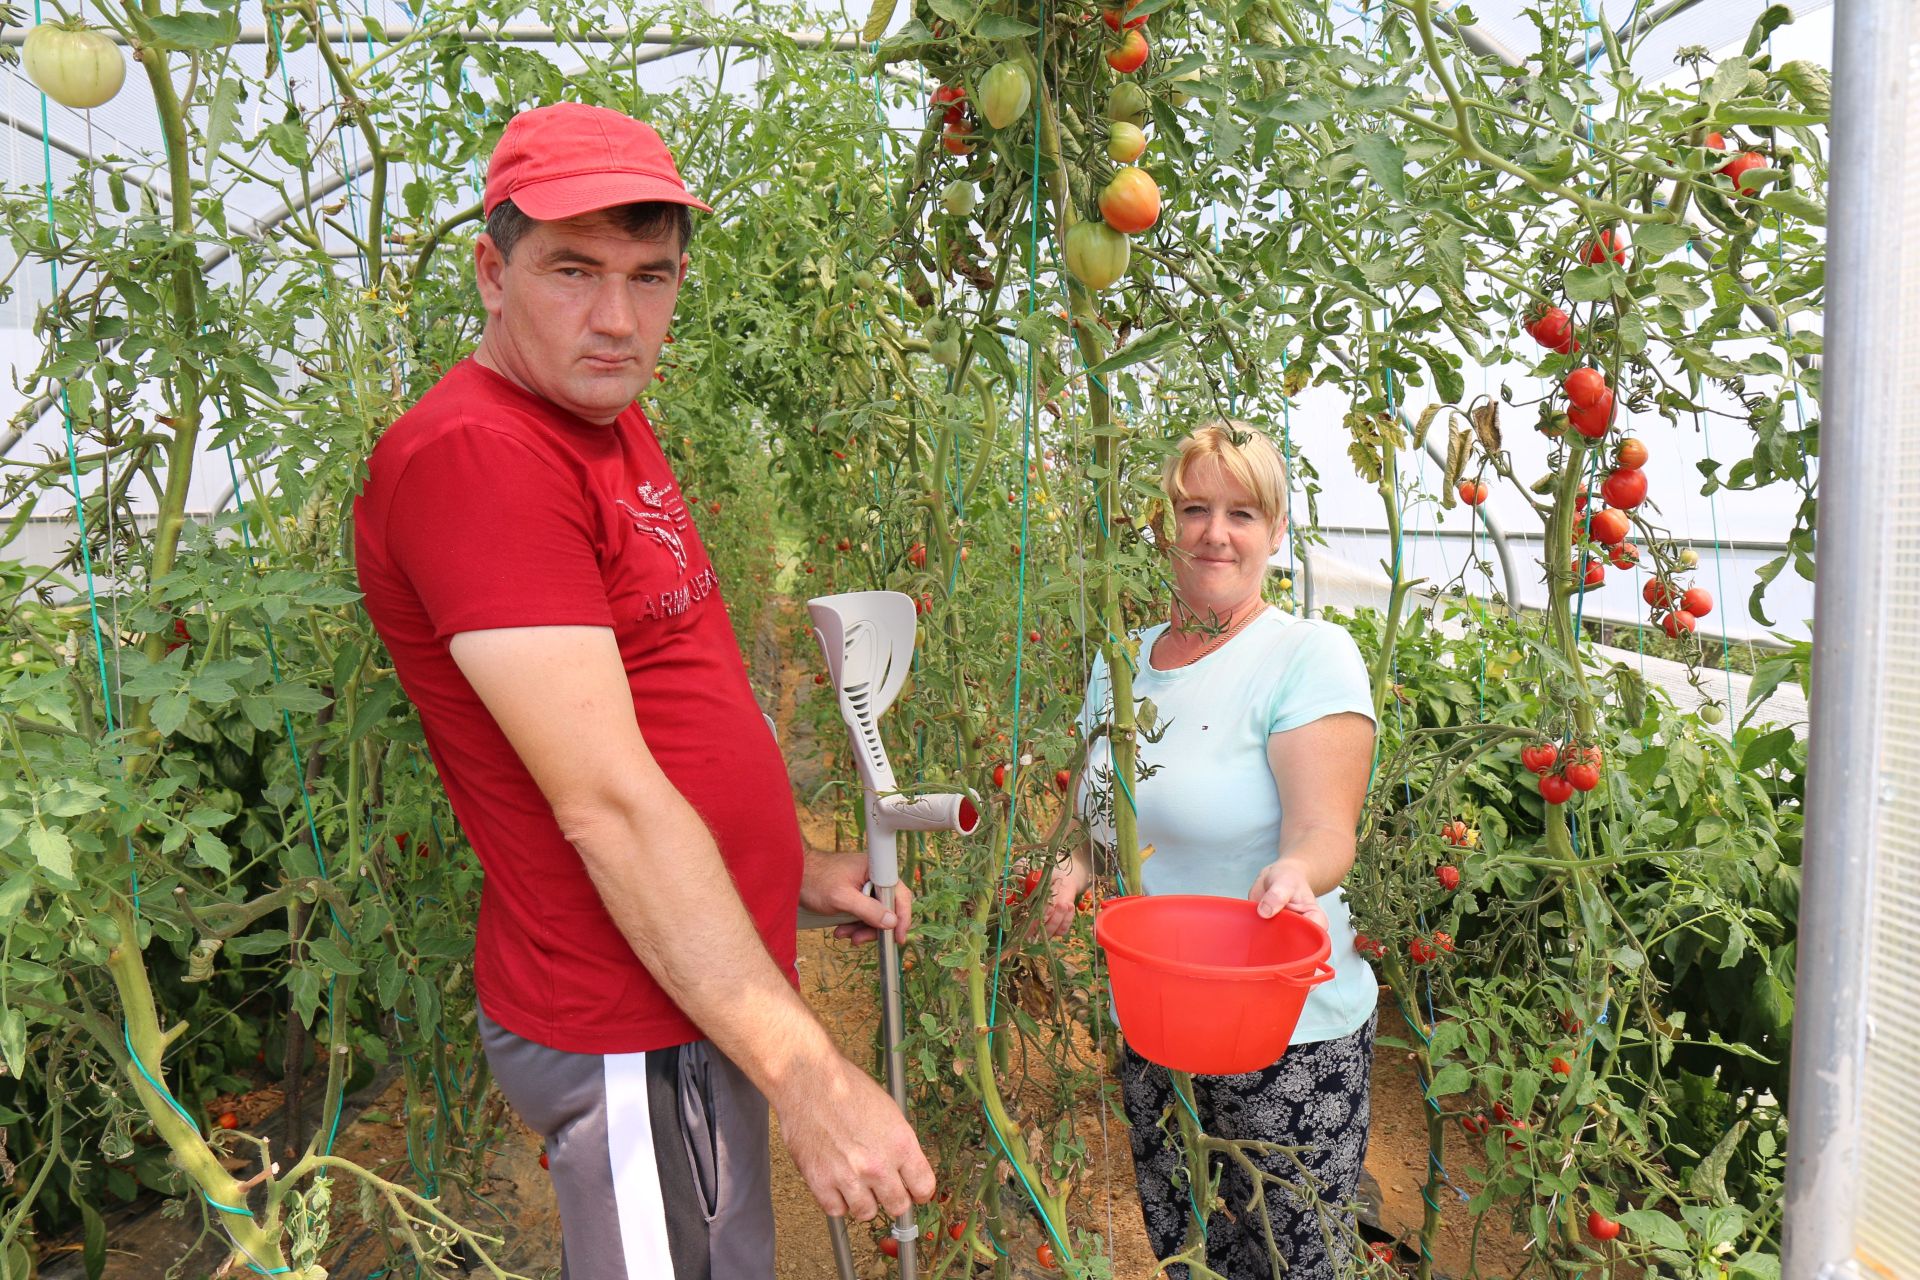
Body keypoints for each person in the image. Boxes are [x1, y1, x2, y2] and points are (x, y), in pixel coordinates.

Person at [352, 102, 934, 1279]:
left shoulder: (596, 418)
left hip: (685, 995)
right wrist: (811, 1070)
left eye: (651, 276)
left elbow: (661, 698)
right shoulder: (480, 455)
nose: (618, 318)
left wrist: (790, 872)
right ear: (491, 270)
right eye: (573, 270)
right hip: (628, 1016)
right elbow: (609, 801)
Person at [1045, 423, 1380, 1280]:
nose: (1215, 533)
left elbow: (1324, 829)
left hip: (1284, 1033)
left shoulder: (1306, 656)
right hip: (1156, 1023)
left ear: (1275, 532)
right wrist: (1072, 867)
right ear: (1164, 524)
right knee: (1190, 1250)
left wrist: (1296, 872)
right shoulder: (1118, 665)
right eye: (1194, 508)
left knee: (1294, 1261)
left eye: (1242, 512)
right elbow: (1102, 816)